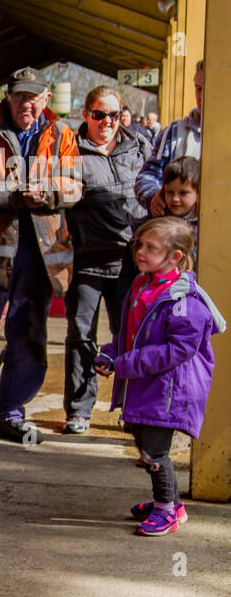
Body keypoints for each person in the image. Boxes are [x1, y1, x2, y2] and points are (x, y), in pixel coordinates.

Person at [0, 66, 82, 447]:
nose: (26, 104)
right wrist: (15, 194)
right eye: (20, 96)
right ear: (8, 97)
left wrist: (46, 194)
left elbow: (74, 185)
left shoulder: (62, 134)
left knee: (28, 335)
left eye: (33, 97)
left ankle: (11, 412)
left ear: (44, 99)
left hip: (40, 257)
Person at [94, 217, 225, 535]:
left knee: (155, 452)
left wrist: (126, 363)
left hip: (170, 390)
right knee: (143, 443)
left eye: (151, 247)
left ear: (175, 257)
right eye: (140, 244)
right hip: (147, 385)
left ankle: (167, 510)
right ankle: (169, 501)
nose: (141, 251)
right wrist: (113, 353)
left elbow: (178, 350)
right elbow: (131, 334)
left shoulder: (184, 301)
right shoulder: (143, 285)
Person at [62, 86, 152, 433]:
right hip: (86, 261)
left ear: (121, 116)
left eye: (113, 115)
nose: (106, 122)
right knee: (81, 335)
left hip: (131, 261)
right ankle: (80, 410)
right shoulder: (70, 151)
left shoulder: (140, 147)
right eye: (99, 115)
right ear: (86, 114)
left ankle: (132, 408)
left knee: (130, 335)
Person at [136, 60, 202, 215]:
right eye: (198, 88)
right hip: (178, 233)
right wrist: (152, 197)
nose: (202, 95)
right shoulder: (174, 132)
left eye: (209, 88)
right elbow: (148, 175)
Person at [161, 156, 199, 257]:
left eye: (183, 193)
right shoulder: (159, 223)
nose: (175, 199)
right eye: (170, 192)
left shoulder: (203, 227)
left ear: (198, 193)